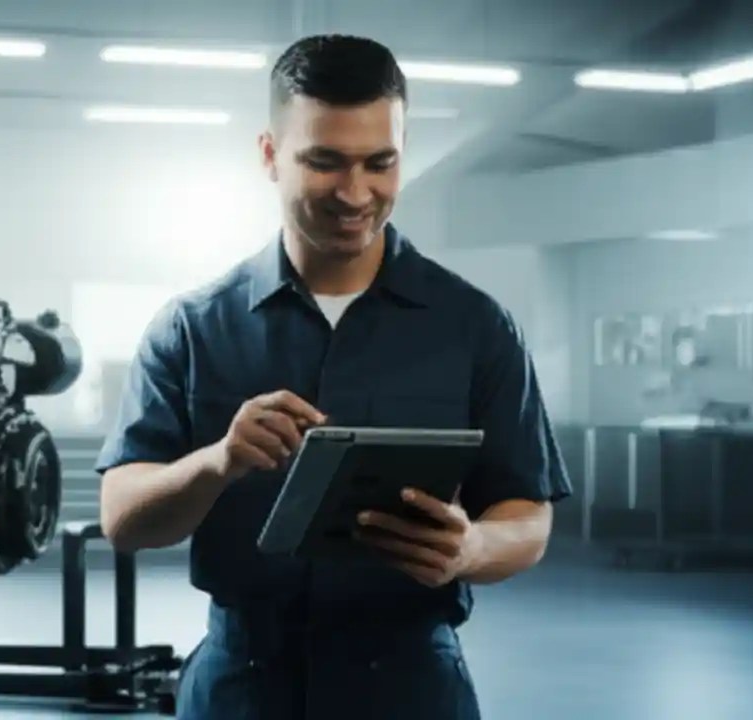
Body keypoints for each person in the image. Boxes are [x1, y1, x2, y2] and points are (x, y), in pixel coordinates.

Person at [96, 34, 572, 720]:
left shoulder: (475, 327)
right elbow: (123, 519)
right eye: (324, 162)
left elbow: (528, 513)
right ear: (269, 155)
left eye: (380, 163)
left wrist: (472, 547)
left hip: (411, 687)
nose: (356, 193)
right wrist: (219, 461)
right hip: (242, 688)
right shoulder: (193, 327)